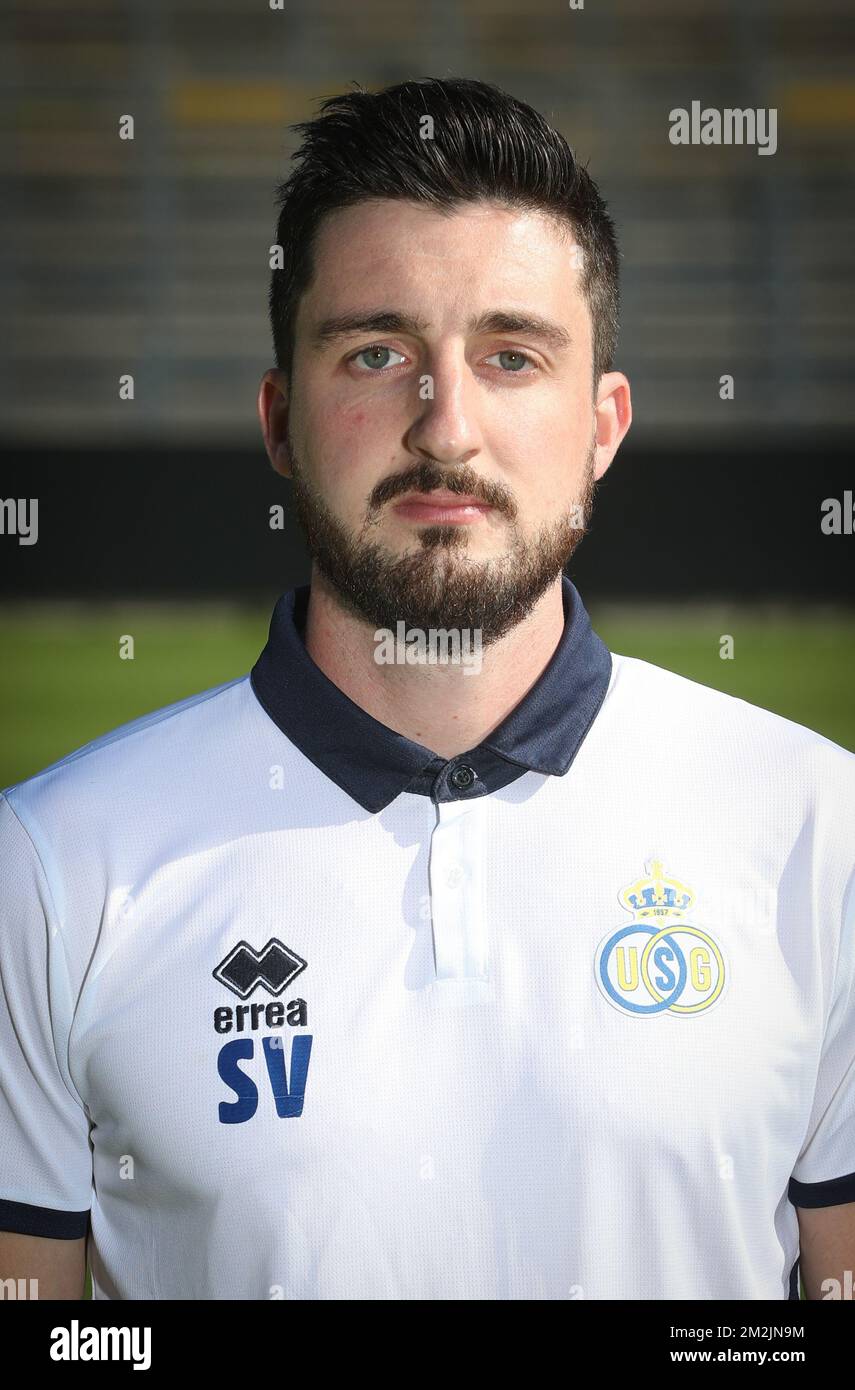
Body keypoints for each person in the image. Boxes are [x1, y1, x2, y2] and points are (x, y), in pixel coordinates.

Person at [1, 77, 852, 1300]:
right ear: (282, 420)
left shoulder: (824, 834)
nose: (444, 426)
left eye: (511, 355)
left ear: (604, 423)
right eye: (378, 352)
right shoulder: (51, 865)